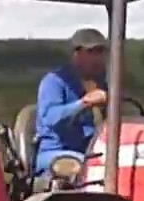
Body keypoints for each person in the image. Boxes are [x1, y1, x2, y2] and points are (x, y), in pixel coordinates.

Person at [33, 27, 109, 177]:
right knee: (92, 168)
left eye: (100, 51)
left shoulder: (102, 83)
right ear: (76, 53)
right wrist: (84, 103)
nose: (97, 58)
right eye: (91, 51)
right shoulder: (54, 82)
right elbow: (50, 117)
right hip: (57, 152)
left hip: (91, 150)